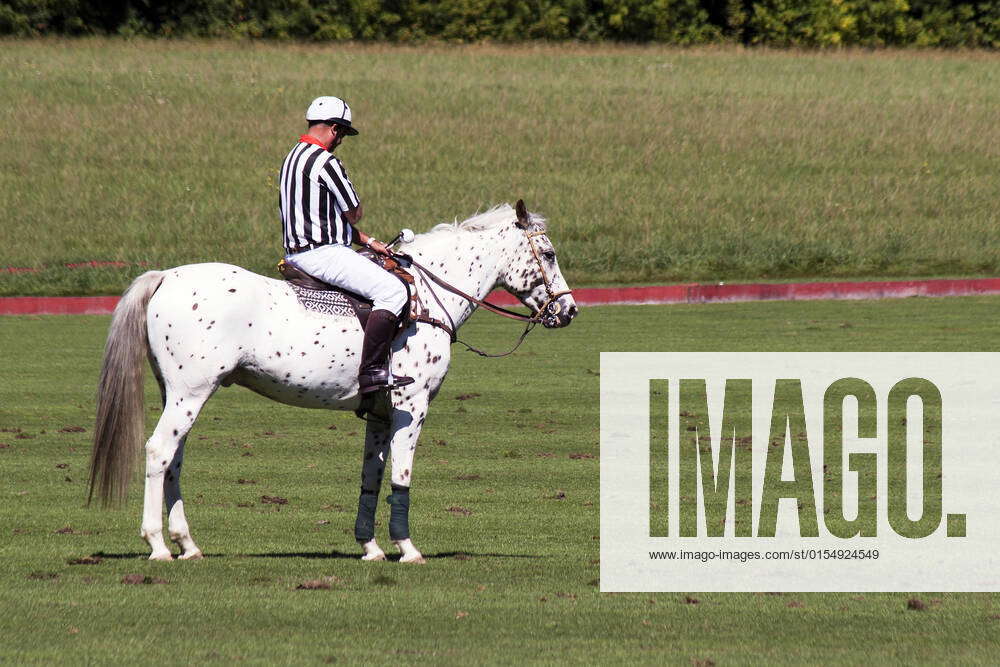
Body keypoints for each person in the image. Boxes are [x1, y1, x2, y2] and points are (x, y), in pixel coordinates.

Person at [278, 96, 413, 395]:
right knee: (393, 291)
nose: (341, 142)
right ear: (335, 129)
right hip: (323, 254)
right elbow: (353, 211)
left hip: (295, 253)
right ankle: (373, 372)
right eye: (342, 135)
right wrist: (356, 222)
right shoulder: (325, 161)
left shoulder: (291, 157)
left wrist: (367, 240)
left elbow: (316, 215)